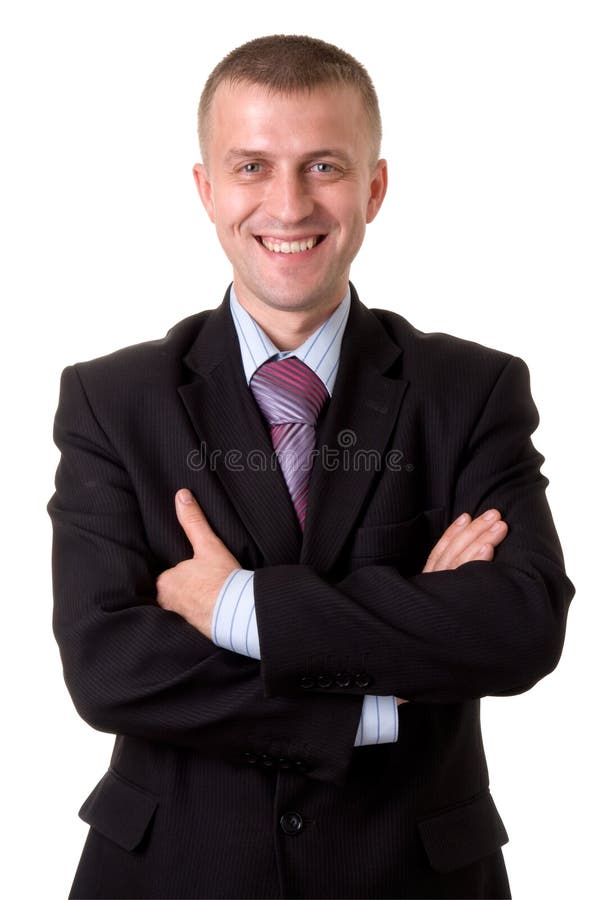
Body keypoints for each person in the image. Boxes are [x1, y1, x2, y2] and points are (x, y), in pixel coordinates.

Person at [48, 34, 574, 900]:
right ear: (207, 190)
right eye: (252, 167)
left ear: (374, 188)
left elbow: (519, 625)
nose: (289, 206)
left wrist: (237, 607)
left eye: (324, 166)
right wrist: (379, 692)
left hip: (413, 877)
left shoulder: (471, 391)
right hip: (172, 873)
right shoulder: (112, 400)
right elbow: (110, 668)